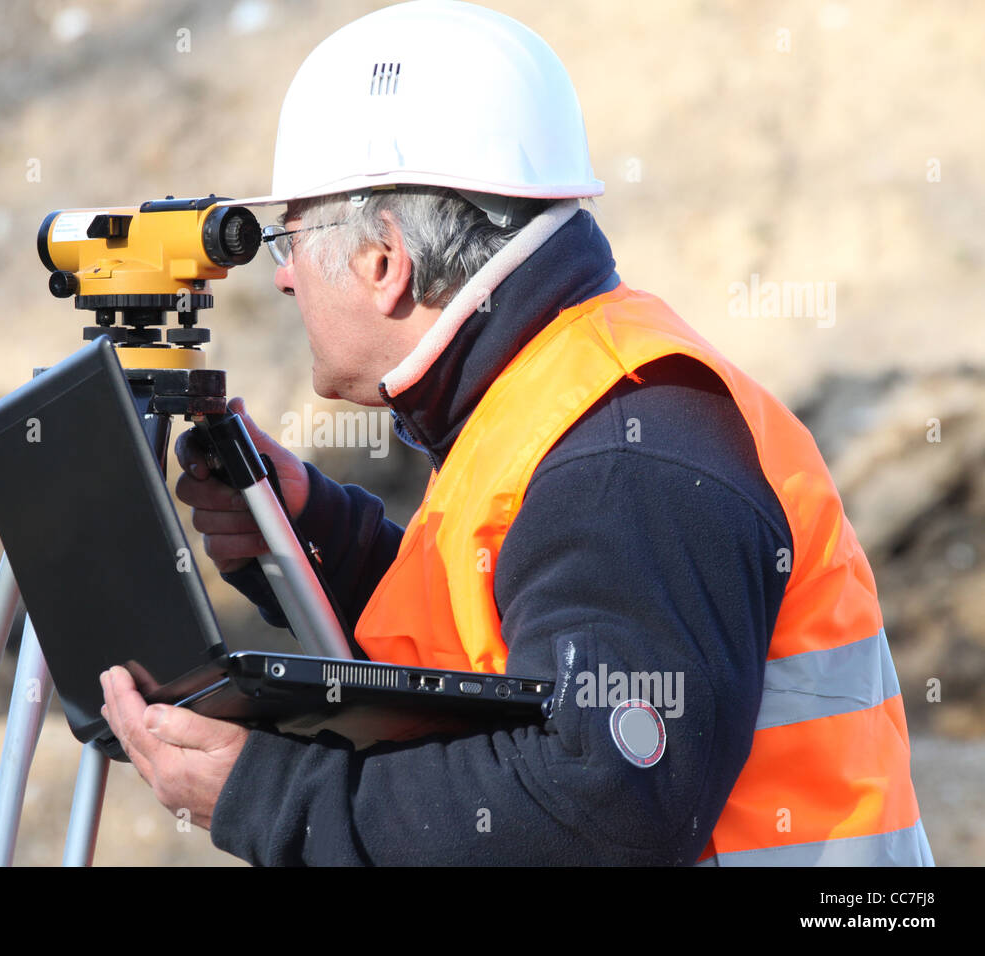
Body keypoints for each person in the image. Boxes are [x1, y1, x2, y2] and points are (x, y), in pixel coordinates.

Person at [99, 0, 933, 866]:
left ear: (385, 264)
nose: (281, 278)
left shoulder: (622, 455)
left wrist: (272, 797)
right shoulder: (544, 395)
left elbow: (600, 803)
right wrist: (322, 540)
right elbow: (509, 654)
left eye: (292, 239)